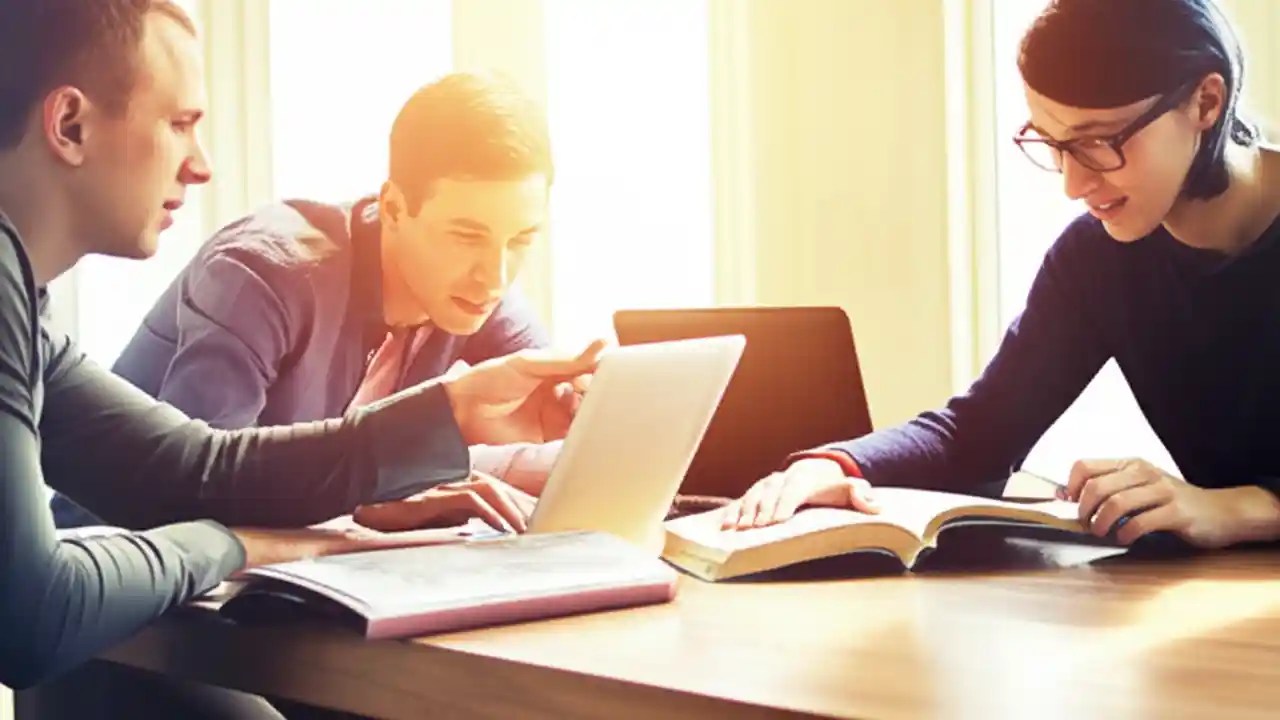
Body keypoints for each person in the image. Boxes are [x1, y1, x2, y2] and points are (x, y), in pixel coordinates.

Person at [0, 1, 599, 712]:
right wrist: (246, 544)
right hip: (122, 640)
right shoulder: (264, 268)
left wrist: (450, 417)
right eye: (181, 123)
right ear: (70, 124)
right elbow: (32, 617)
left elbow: (196, 468)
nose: (203, 166)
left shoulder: (23, 309)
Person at [728, 0, 1280, 551]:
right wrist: (837, 465)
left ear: (1207, 101)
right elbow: (982, 432)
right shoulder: (1098, 258)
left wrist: (1237, 507)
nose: (1073, 184)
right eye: (1055, 144)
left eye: (1100, 141)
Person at [49, 70, 564, 530]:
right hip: (122, 576)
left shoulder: (479, 293)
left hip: (285, 580)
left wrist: (593, 415)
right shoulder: (262, 273)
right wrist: (372, 503)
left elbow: (555, 433)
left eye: (520, 239)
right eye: (466, 236)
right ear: (393, 208)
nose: (494, 276)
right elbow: (199, 493)